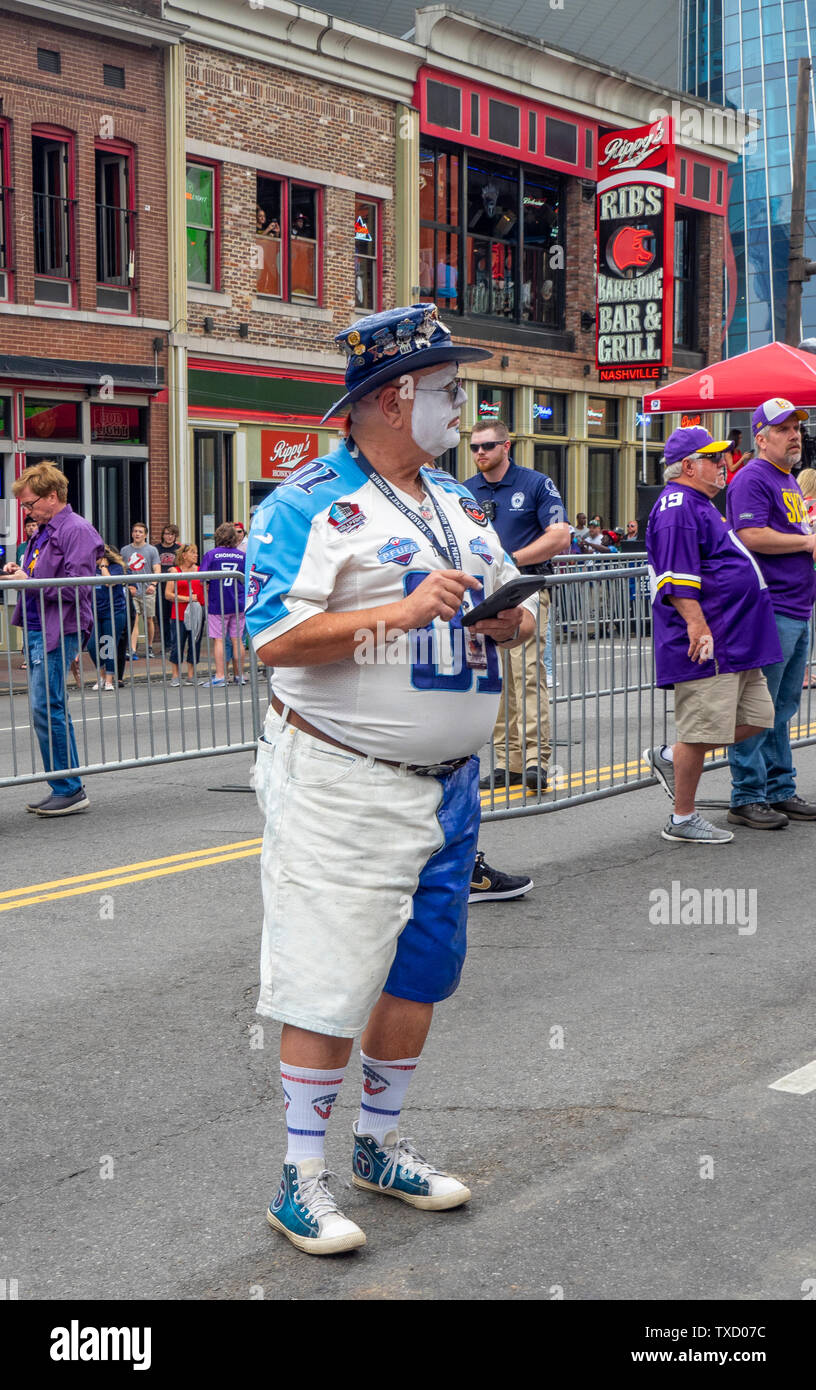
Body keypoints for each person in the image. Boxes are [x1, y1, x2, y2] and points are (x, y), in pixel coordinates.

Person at [244, 302, 539, 1256]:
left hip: (448, 782)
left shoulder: (454, 501)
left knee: (419, 972)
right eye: (450, 389)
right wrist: (407, 615)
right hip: (344, 778)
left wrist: (509, 623)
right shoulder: (305, 504)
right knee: (328, 983)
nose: (463, 406)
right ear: (394, 396)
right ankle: (301, 1178)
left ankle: (377, 1148)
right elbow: (273, 642)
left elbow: (514, 613)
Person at [642, 427, 782, 843]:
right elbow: (676, 576)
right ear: (689, 466)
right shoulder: (677, 505)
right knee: (702, 730)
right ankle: (682, 818)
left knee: (759, 718)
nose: (724, 465)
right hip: (714, 640)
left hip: (737, 639)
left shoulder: (698, 503)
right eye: (715, 458)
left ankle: (671, 757)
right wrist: (697, 625)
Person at [464, 421, 570, 792]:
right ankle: (507, 762)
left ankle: (534, 761)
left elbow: (559, 535)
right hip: (482, 591)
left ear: (506, 446)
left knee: (527, 674)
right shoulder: (464, 490)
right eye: (474, 446)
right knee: (495, 677)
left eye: (488, 446)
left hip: (523, 585)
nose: (480, 453)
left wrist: (508, 561)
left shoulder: (536, 484)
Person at [726, 398, 816, 828]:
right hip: (771, 607)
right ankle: (747, 794)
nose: (794, 434)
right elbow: (750, 534)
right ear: (761, 438)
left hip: (796, 606)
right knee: (759, 705)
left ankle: (779, 788)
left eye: (796, 426)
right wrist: (805, 543)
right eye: (783, 428)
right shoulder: (752, 477)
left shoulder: (788, 479)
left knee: (783, 705)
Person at [3, 460, 103, 815]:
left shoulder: (76, 529)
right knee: (46, 707)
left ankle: (69, 787)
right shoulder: (45, 530)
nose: (28, 511)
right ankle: (66, 784)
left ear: (52, 496)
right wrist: (22, 571)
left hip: (59, 627)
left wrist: (27, 582)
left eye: (30, 503)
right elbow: (42, 574)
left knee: (47, 707)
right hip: (41, 626)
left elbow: (79, 587)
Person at [198, 523, 246, 686]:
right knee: (237, 639)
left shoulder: (211, 555)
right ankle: (239, 675)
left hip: (218, 602)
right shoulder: (242, 556)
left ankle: (220, 676)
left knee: (218, 639)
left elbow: (202, 578)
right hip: (238, 602)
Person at [86, 544, 128, 692]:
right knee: (91, 645)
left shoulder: (117, 567)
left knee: (108, 644)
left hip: (114, 611)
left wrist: (103, 566)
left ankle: (109, 679)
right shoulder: (90, 568)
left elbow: (109, 582)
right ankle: (102, 675)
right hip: (94, 612)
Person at [165, 544, 204, 686]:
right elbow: (168, 594)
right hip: (179, 613)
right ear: (184, 555)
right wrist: (187, 598)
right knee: (178, 643)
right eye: (192, 553)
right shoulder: (175, 571)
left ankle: (191, 675)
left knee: (195, 643)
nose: (196, 555)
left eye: (196, 552)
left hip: (196, 612)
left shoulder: (200, 571)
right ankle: (175, 675)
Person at [121, 522, 161, 659]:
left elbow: (157, 569)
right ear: (132, 533)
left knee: (149, 619)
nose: (137, 534)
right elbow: (123, 569)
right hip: (132, 591)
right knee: (135, 619)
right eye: (135, 531)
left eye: (140, 532)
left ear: (145, 535)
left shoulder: (151, 550)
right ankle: (132, 649)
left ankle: (149, 646)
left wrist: (153, 584)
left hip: (147, 590)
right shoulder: (125, 550)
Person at [155, 523, 180, 651]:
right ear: (162, 535)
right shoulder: (156, 549)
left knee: (175, 616)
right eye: (166, 534)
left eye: (172, 534)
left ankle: (176, 643)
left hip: (175, 586)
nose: (169, 537)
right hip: (160, 586)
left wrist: (175, 569)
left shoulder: (179, 549)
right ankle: (166, 645)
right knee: (162, 615)